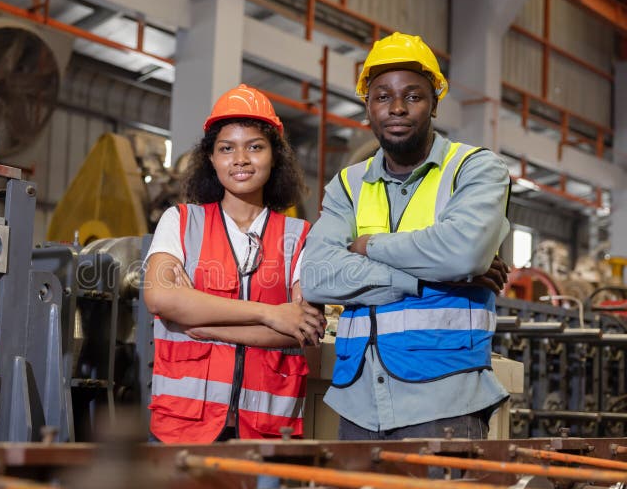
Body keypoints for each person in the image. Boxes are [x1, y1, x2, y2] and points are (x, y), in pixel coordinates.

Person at [300, 32, 511, 440]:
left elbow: (463, 254)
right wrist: (422, 278)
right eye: (382, 97)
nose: (396, 108)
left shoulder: (474, 168)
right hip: (358, 402)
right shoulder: (348, 184)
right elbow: (317, 276)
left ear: (434, 102)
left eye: (412, 96)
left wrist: (365, 247)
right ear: (367, 107)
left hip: (446, 396)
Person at [144, 84, 325, 443]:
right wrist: (269, 313)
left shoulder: (301, 236)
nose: (240, 159)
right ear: (211, 158)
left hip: (270, 431)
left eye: (255, 146)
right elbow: (161, 298)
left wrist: (205, 324)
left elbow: (304, 329)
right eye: (226, 148)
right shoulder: (180, 221)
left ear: (275, 155)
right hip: (183, 426)